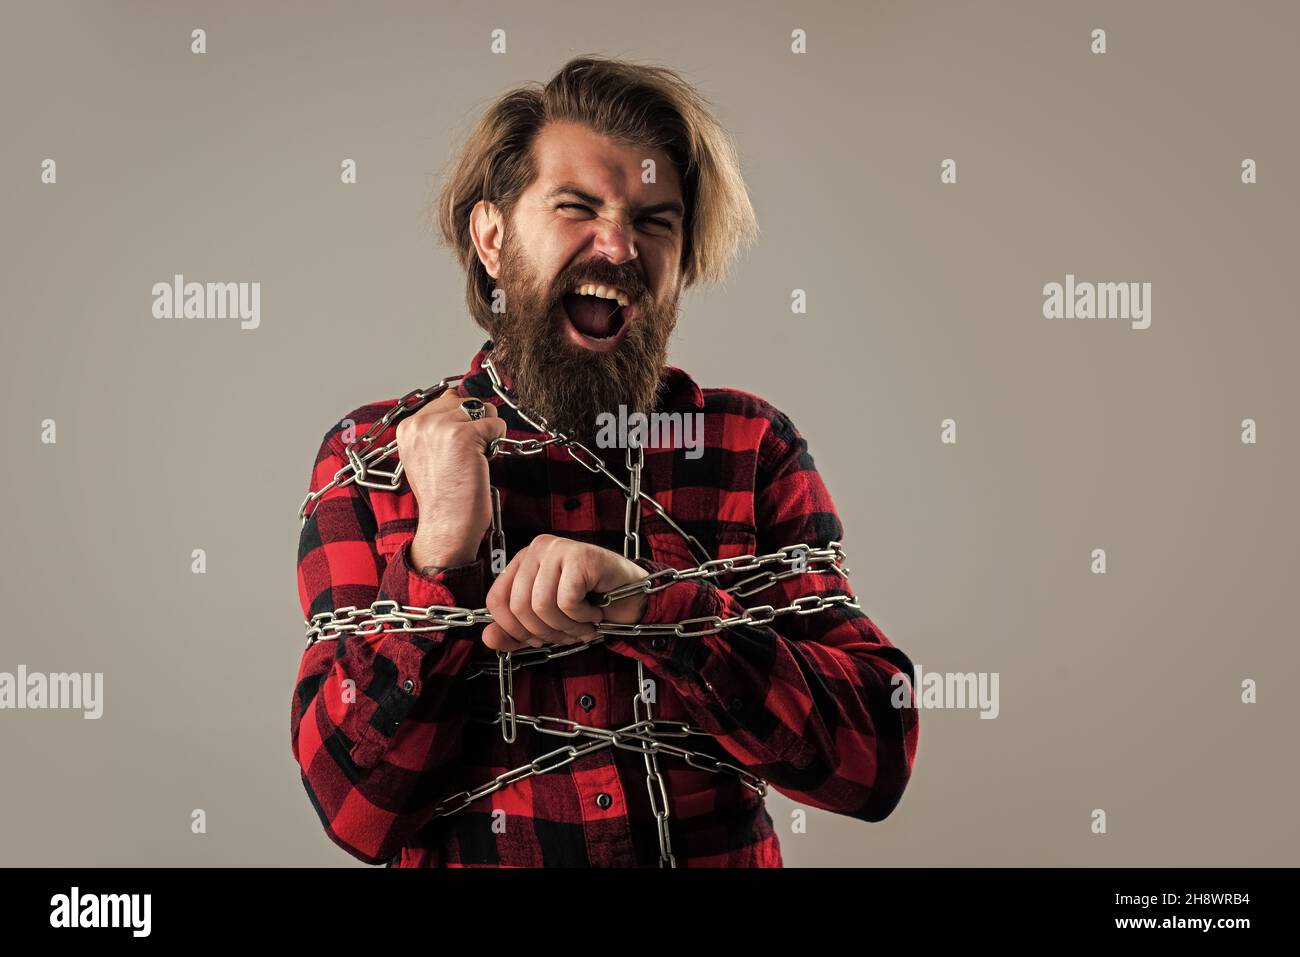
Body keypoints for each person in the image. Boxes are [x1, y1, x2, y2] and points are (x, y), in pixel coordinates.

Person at [291, 55, 919, 867]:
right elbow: (354, 813)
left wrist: (657, 609)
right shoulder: (375, 457)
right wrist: (440, 551)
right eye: (577, 207)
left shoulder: (746, 447)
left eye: (656, 221)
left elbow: (874, 762)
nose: (619, 246)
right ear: (492, 236)